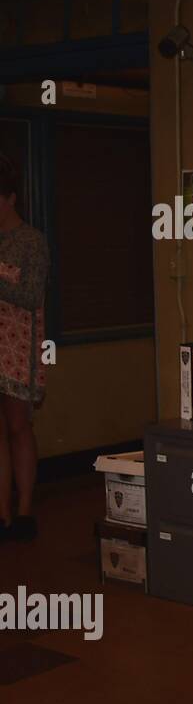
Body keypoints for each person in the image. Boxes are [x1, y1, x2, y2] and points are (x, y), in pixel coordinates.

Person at [0, 152, 48, 543]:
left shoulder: (32, 241)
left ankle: (25, 511)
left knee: (18, 428)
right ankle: (2, 513)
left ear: (11, 198)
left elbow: (32, 295)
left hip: (17, 351)